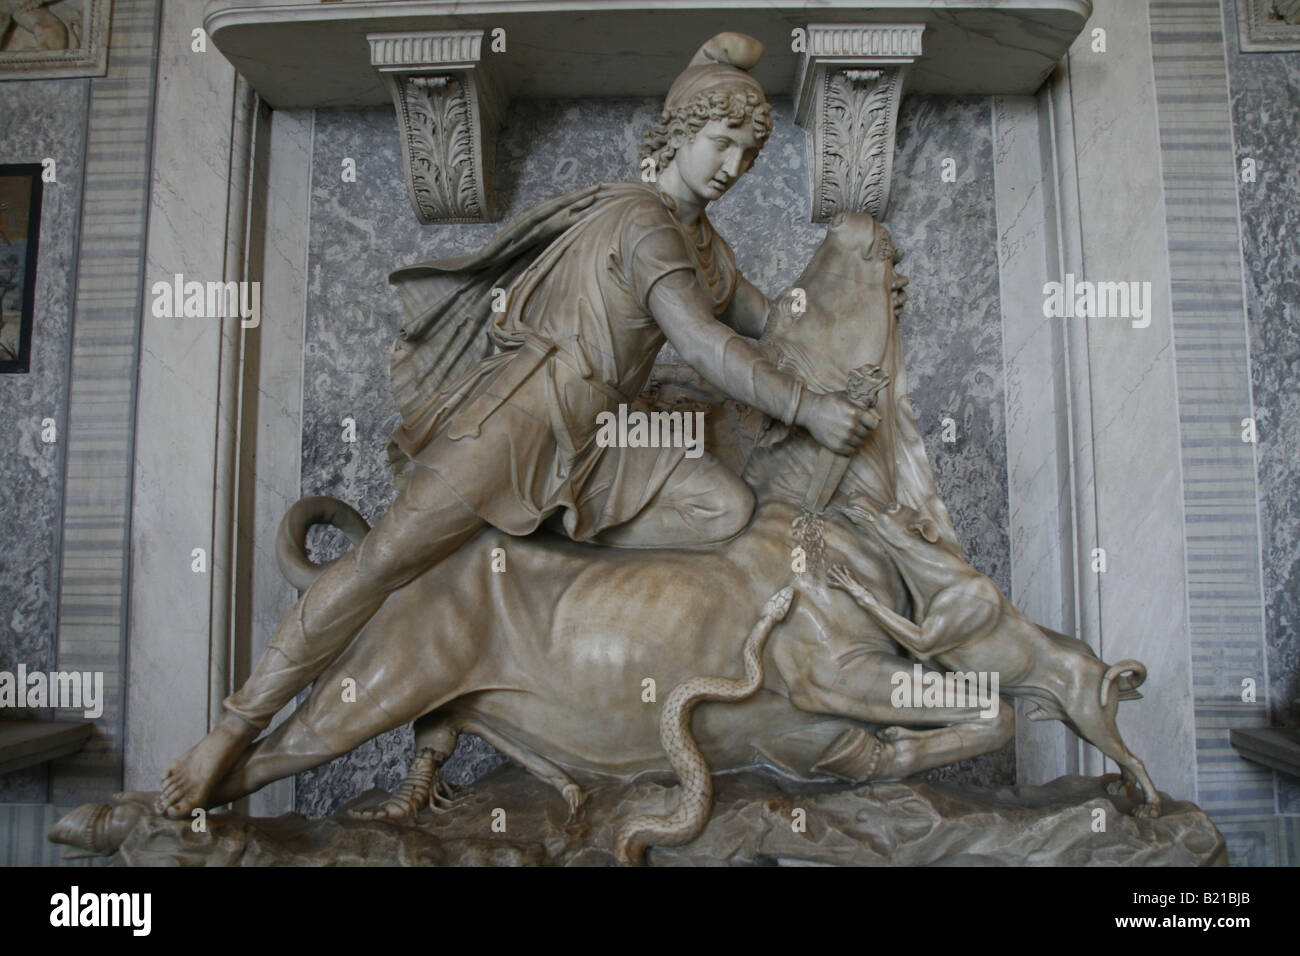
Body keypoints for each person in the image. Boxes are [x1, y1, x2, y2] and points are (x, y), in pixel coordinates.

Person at [158, 32, 879, 818]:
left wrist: (857, 312)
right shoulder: (643, 223)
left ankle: (516, 576)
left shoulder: (706, 245)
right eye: (721, 142)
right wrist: (807, 409)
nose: (733, 166)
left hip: (603, 438)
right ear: (679, 133)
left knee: (726, 507)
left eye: (748, 152)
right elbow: (705, 344)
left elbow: (772, 325)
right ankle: (230, 734)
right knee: (379, 565)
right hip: (523, 419)